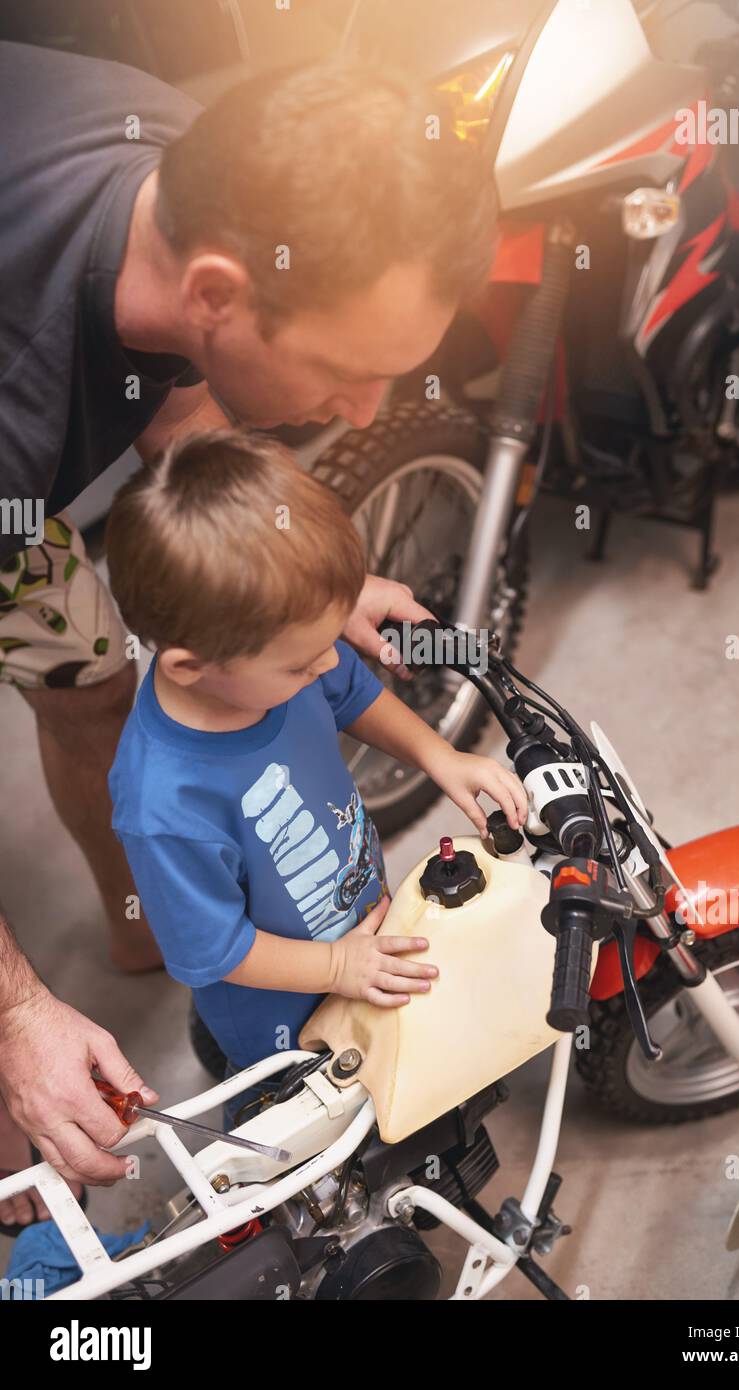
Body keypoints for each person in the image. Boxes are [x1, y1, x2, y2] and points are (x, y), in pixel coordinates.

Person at [0, 41, 497, 1228]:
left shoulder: (184, 177)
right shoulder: (21, 386)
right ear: (220, 293)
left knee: (83, 686)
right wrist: (16, 1013)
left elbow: (179, 397)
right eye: (346, 371)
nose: (368, 413)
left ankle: (133, 929)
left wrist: (314, 586)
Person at [105, 431, 526, 1103]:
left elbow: (355, 696)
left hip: (359, 932)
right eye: (302, 662)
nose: (329, 665)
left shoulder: (275, 660)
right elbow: (216, 951)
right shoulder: (164, 805)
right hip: (281, 1021)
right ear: (191, 666)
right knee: (323, 1129)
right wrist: (337, 965)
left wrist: (438, 756)